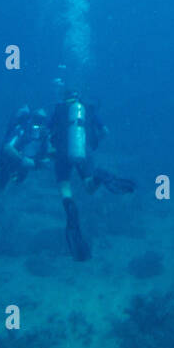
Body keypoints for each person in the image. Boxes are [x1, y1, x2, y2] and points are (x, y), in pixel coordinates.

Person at [47, 92, 134, 261]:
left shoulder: (59, 109)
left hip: (61, 153)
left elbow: (48, 133)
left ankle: (70, 209)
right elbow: (105, 131)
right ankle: (99, 177)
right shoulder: (87, 109)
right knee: (89, 186)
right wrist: (93, 144)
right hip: (84, 150)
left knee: (64, 186)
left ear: (64, 98)